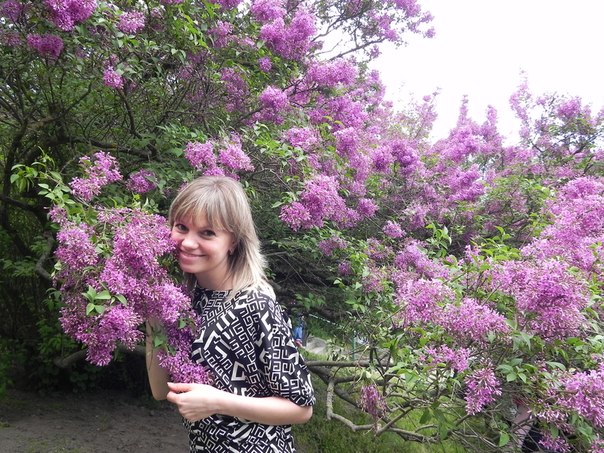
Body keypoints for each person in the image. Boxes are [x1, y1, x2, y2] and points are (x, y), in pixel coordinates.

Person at [146, 176, 315, 453]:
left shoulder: (255, 304)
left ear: (233, 242)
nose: (188, 242)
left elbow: (301, 408)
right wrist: (153, 313)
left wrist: (217, 402)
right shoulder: (188, 299)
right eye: (182, 227)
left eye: (207, 233)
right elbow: (160, 390)